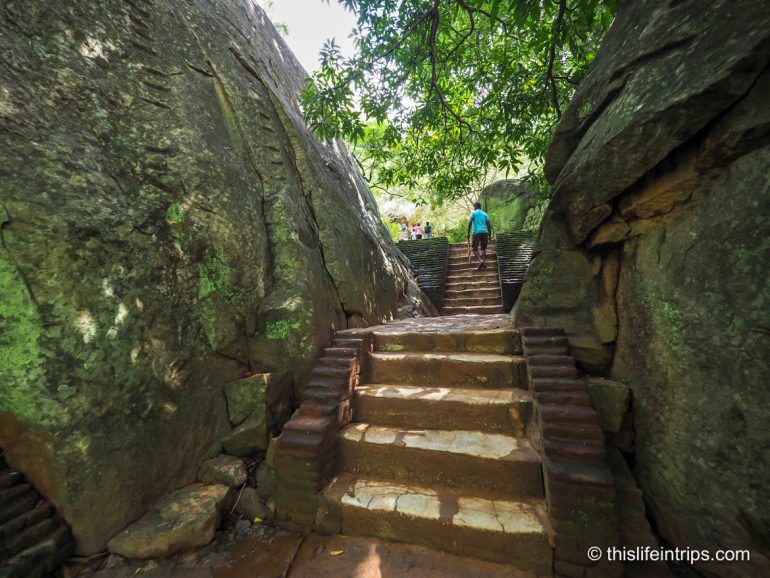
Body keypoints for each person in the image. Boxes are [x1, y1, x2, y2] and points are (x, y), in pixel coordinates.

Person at [466, 202, 493, 270]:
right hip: (485, 232)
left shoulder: (473, 213)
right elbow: (488, 225)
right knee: (483, 248)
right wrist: (490, 235)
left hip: (476, 233)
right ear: (480, 207)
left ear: (475, 207)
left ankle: (480, 261)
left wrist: (468, 233)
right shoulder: (485, 214)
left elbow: (469, 223)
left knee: (474, 249)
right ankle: (483, 263)